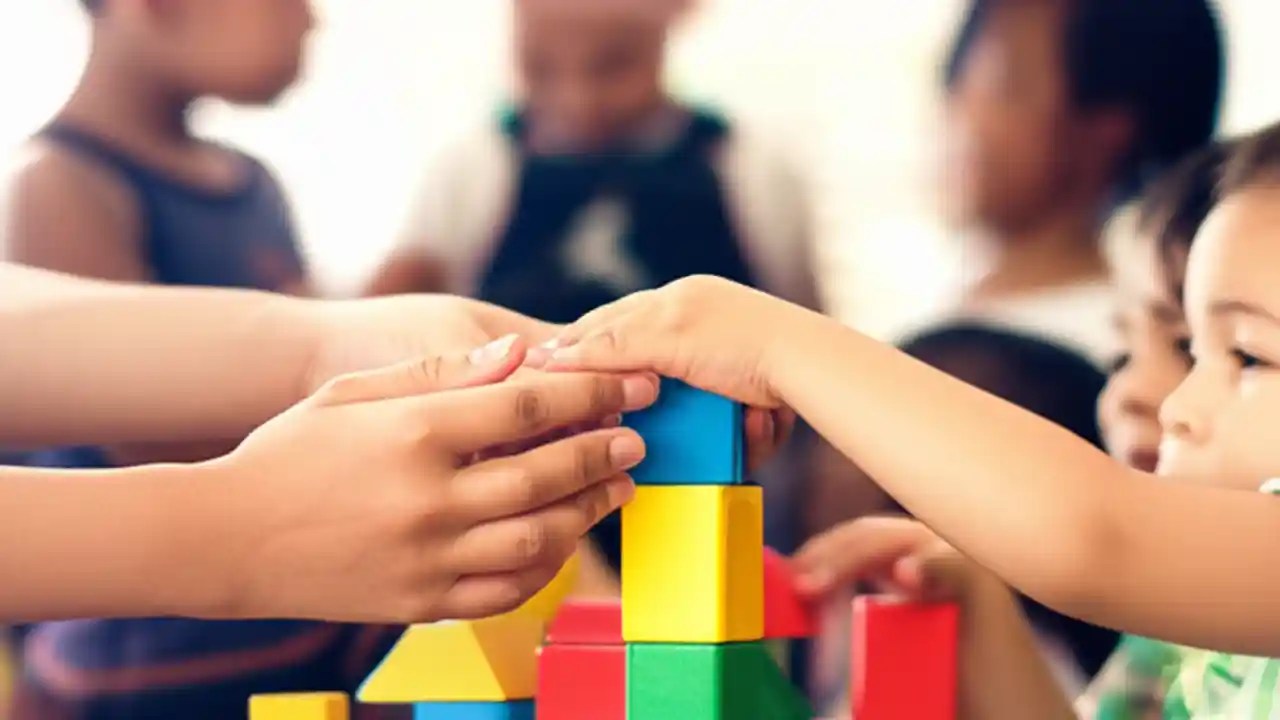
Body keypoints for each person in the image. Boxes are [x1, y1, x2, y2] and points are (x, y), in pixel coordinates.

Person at [534, 119, 1280, 716]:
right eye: (1196, 351)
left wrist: (770, 340)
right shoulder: (1183, 645)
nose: (1178, 404)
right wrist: (978, 604)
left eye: (1247, 356)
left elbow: (1101, 536)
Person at [804, 0, 1225, 691]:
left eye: (996, 81)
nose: (954, 104)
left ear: (1105, 129)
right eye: (954, 74)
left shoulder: (1063, 369)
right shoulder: (958, 313)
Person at [368, 0, 818, 581]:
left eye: (613, 68)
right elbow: (395, 340)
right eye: (540, 69)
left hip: (704, 513)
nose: (578, 100)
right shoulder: (472, 169)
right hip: (519, 520)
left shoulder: (750, 169)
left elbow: (804, 355)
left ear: (672, 21)